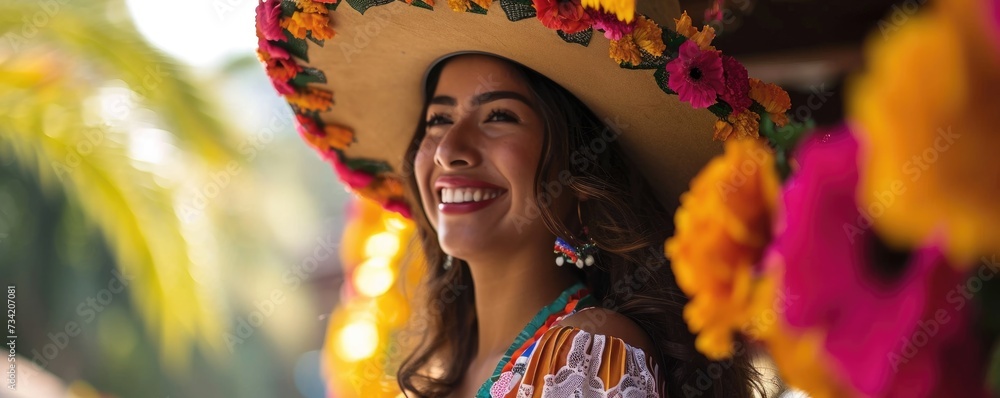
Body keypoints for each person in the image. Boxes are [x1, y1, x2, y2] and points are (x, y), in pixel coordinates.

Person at [255, 0, 786, 396]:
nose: (449, 152)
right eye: (438, 120)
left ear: (583, 167)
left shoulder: (588, 354)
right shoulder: (440, 371)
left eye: (499, 117)